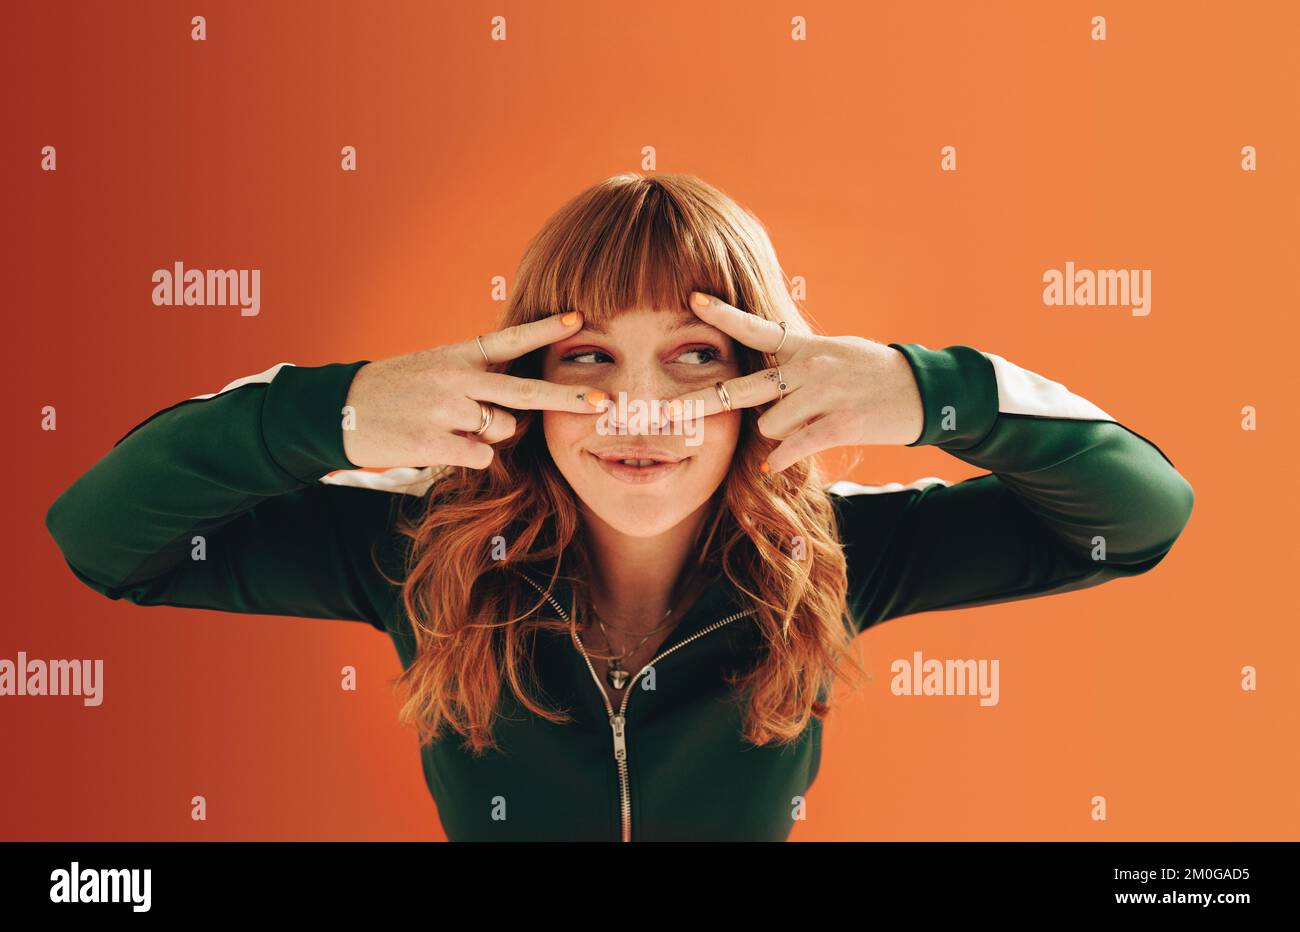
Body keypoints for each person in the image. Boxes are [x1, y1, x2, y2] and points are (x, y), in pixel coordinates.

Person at [44, 173, 1194, 841]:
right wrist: (337, 410)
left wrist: (927, 392)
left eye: (697, 355)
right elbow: (103, 540)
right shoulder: (415, 550)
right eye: (589, 354)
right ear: (524, 378)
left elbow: (1137, 517)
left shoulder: (839, 552)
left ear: (772, 378)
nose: (638, 409)